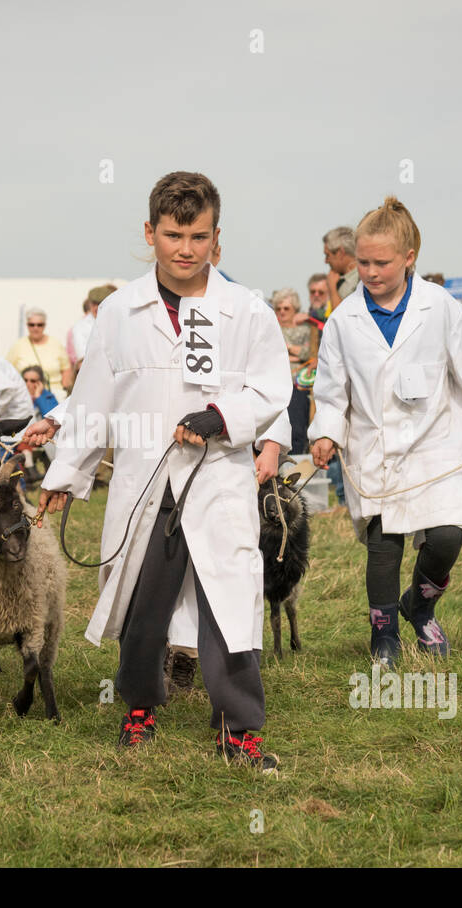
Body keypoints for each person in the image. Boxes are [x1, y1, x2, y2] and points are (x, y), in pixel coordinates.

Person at [30, 170, 289, 771]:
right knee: (142, 606)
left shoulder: (245, 311)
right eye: (173, 234)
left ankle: (239, 728)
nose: (185, 249)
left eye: (198, 236)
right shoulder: (120, 312)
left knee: (230, 601)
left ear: (217, 239)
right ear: (150, 233)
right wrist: (65, 476)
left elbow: (272, 386)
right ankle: (140, 706)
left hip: (217, 478)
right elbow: (94, 401)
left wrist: (222, 414)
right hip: (146, 479)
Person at [308, 197, 462, 667]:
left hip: (435, 443)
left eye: (382, 262)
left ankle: (420, 606)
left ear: (409, 258)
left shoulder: (439, 306)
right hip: (374, 446)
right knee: (383, 545)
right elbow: (333, 389)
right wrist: (325, 432)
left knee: (446, 536)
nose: (371, 271)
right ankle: (384, 636)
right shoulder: (343, 319)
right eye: (363, 262)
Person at [272, 288, 313, 454]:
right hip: (276, 386)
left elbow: (311, 353)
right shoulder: (272, 328)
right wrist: (294, 352)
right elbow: (272, 354)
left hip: (299, 386)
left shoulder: (306, 330)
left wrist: (289, 350)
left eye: (286, 308)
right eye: (278, 308)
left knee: (297, 429)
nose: (282, 312)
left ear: (295, 310)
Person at [7, 308, 72, 399]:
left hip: (53, 395)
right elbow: (8, 371)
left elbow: (66, 369)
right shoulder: (18, 346)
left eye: (39, 325)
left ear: (44, 325)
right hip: (27, 396)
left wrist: (65, 390)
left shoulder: (56, 344)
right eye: (32, 325)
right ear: (27, 325)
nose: (35, 328)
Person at [67, 285, 116, 376]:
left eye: (100, 303)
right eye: (94, 304)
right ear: (89, 304)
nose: (96, 308)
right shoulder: (80, 327)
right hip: (92, 373)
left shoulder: (117, 322)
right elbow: (83, 356)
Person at [322, 226, 360, 311]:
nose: (326, 261)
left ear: (340, 253)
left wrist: (332, 289)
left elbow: (341, 317)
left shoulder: (360, 279)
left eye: (328, 255)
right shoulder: (339, 279)